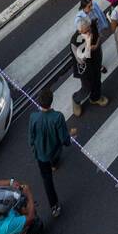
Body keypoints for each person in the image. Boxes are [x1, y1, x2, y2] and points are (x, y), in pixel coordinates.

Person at [28, 86, 73, 218]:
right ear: (51, 101)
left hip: (41, 155)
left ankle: (54, 206)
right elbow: (63, 139)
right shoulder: (57, 117)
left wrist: (34, 150)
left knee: (47, 181)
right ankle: (54, 164)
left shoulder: (33, 117)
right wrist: (70, 137)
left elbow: (31, 137)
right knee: (54, 159)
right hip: (54, 151)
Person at [69, 16, 108, 109]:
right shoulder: (75, 41)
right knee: (87, 88)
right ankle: (76, 99)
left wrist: (96, 45)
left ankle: (95, 98)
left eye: (89, 29)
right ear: (79, 31)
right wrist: (88, 44)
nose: (89, 33)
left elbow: (99, 36)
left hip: (96, 61)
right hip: (85, 68)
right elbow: (81, 60)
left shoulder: (92, 26)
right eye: (85, 32)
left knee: (97, 81)